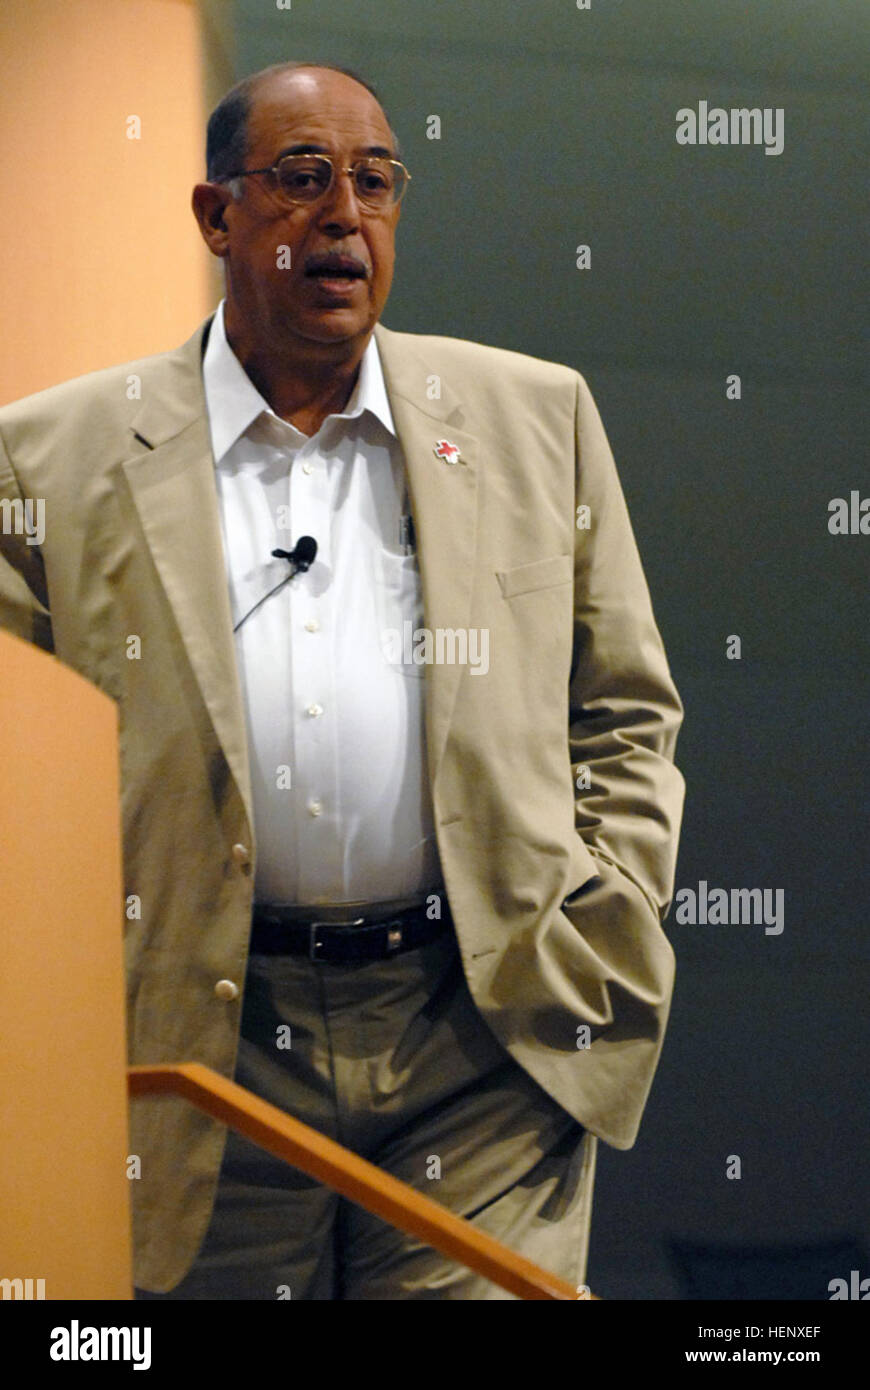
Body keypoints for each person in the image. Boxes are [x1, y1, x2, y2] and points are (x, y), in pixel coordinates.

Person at [0, 60, 685, 1299]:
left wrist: (612, 902)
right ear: (217, 217)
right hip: (200, 1047)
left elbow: (624, 708)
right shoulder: (46, 457)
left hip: (481, 1037)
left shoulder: (536, 418)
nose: (344, 218)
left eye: (376, 184)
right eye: (302, 180)